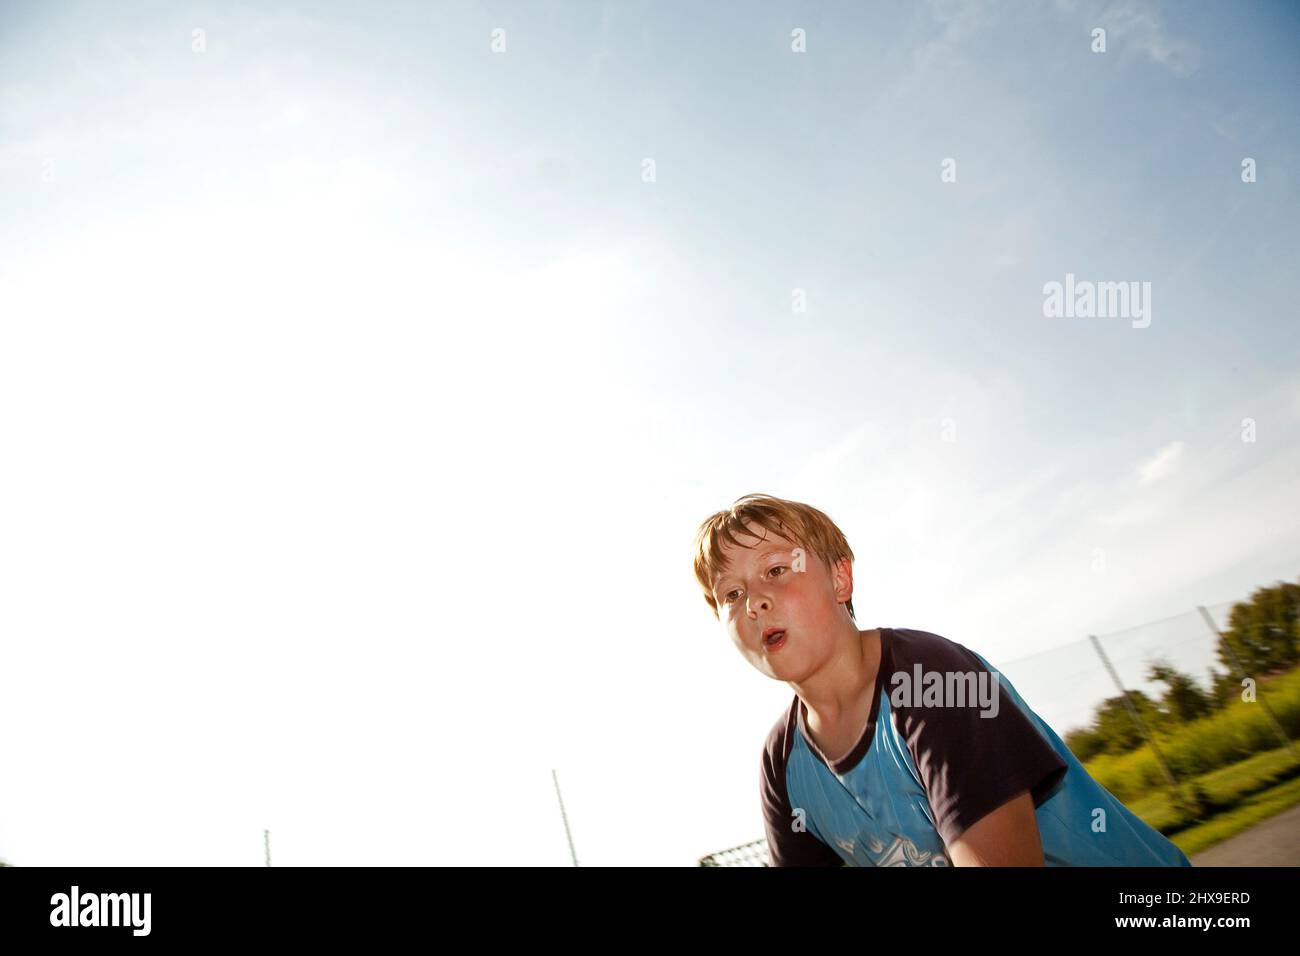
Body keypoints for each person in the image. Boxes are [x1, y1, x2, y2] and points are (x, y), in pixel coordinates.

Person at [692, 492, 1193, 867]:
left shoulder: (932, 676)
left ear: (840, 579)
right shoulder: (782, 765)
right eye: (730, 595)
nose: (753, 600)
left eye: (777, 569)